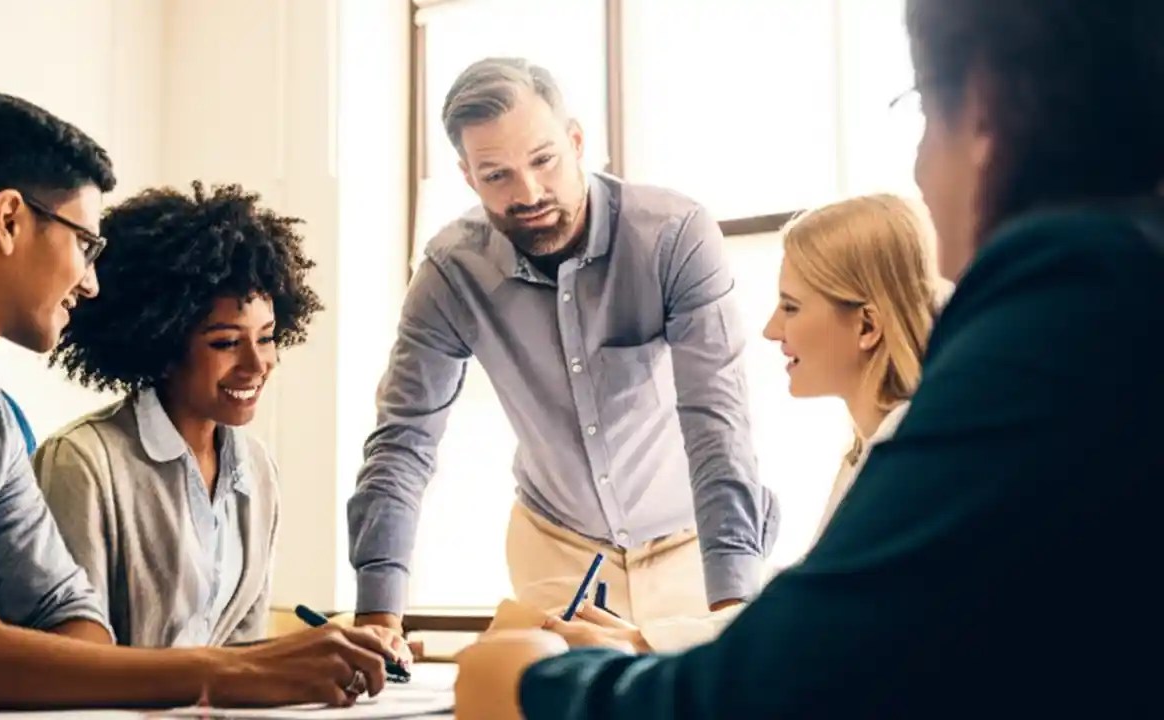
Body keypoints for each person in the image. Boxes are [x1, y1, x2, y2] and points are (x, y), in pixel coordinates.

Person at [453, 0, 1164, 716]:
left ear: (981, 111)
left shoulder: (1064, 309)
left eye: (919, 108)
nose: (918, 166)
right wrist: (641, 642)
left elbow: (804, 675)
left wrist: (534, 688)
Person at [0, 92, 403, 714]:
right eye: (85, 245)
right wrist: (221, 672)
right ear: (9, 220)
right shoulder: (72, 454)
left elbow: (66, 611)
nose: (91, 281)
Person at [348, 57, 779, 632]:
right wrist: (378, 617)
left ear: (575, 141)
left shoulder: (674, 236)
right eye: (496, 174)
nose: (528, 192)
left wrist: (732, 609)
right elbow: (403, 442)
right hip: (559, 550)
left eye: (543, 160)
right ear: (468, 176)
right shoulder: (451, 273)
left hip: (694, 545)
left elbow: (717, 420)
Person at [545, 194, 944, 653]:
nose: (772, 329)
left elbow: (815, 627)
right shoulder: (880, 449)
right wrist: (638, 638)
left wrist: (641, 644)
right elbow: (807, 608)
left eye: (791, 307)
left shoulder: (904, 470)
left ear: (867, 326)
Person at [34, 181, 327, 649]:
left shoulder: (257, 470)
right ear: (163, 346)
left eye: (267, 337)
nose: (257, 364)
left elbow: (239, 650)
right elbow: (70, 654)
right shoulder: (82, 464)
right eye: (226, 343)